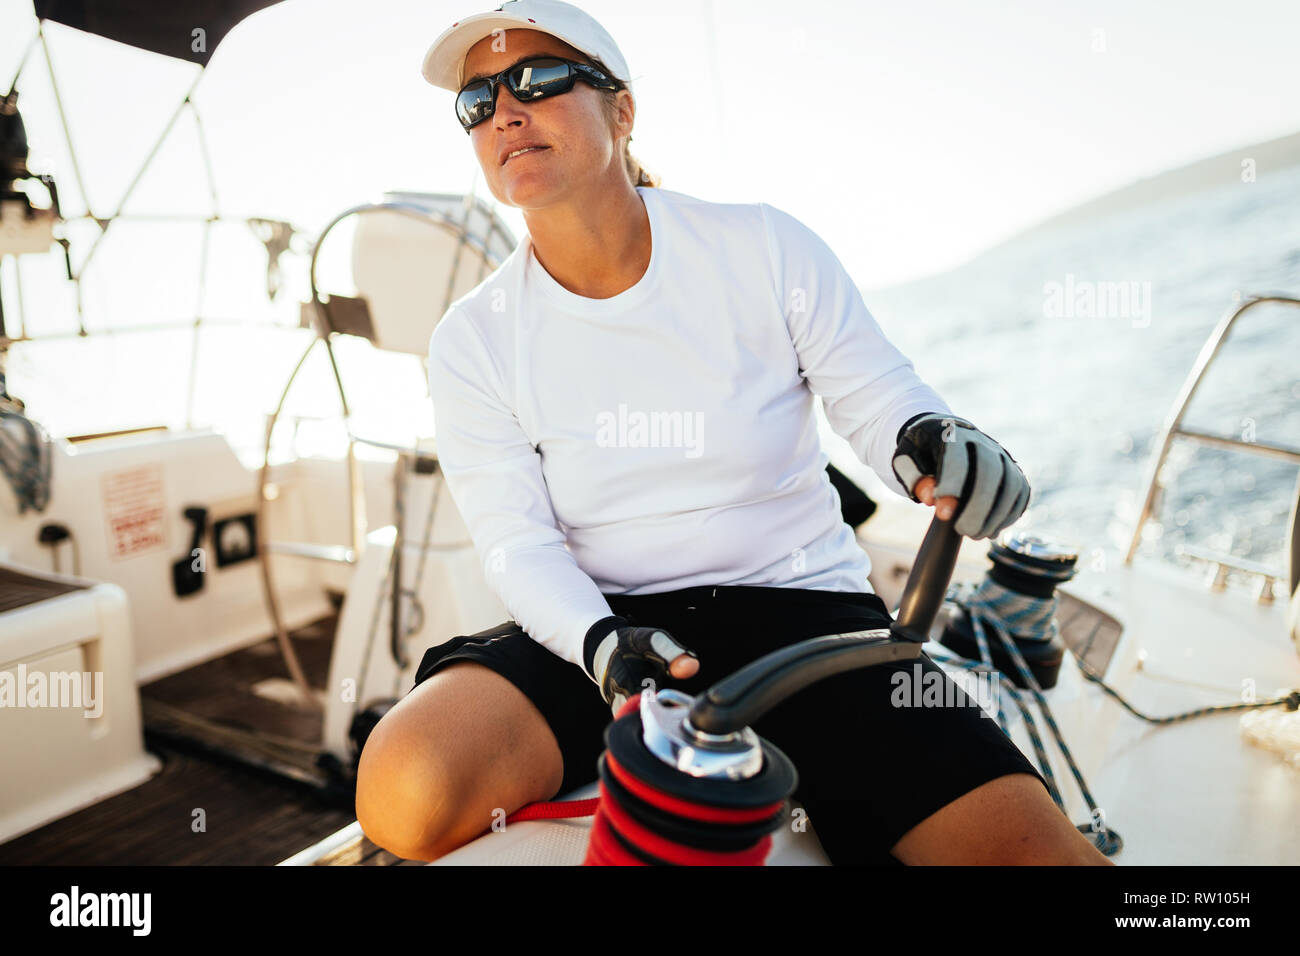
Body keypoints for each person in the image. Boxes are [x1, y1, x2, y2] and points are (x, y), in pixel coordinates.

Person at [355, 0, 1112, 866]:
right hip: (600, 629)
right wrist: (603, 646)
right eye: (477, 101)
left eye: (538, 78)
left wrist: (934, 441)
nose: (505, 110)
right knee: (403, 791)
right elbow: (516, 544)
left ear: (622, 108)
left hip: (806, 614)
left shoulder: (762, 246)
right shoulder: (472, 338)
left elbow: (880, 400)